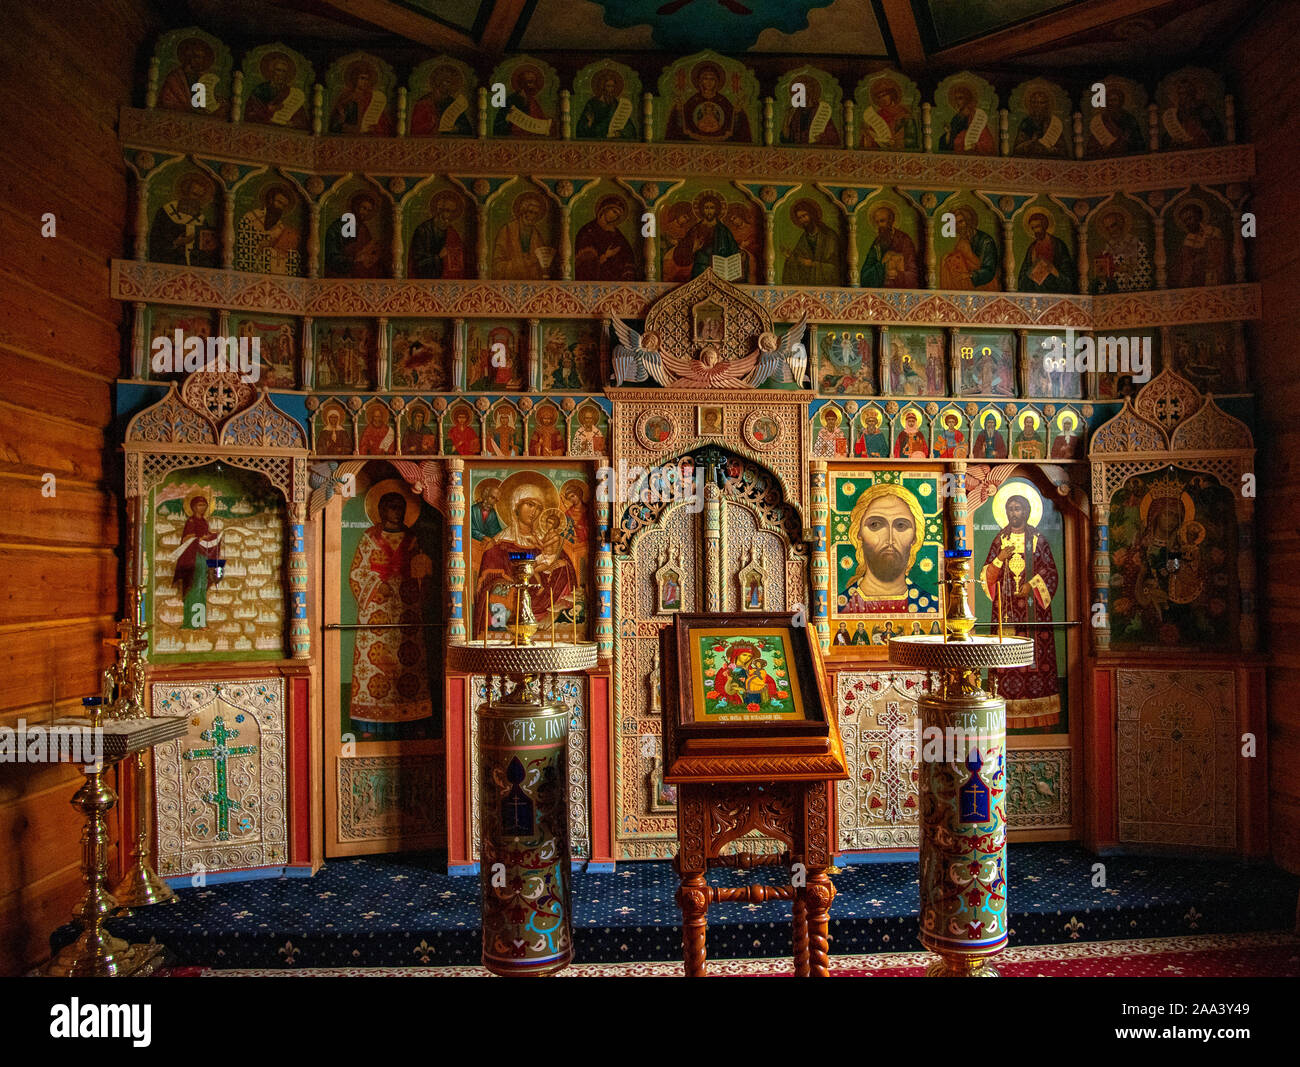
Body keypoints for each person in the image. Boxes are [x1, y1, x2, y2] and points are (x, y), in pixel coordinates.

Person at [348, 489, 433, 737]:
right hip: (376, 609)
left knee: (409, 663)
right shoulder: (369, 538)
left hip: (407, 607)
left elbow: (422, 569)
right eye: (391, 507)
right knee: (374, 663)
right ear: (381, 510)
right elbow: (357, 573)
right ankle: (368, 724)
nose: (397, 512)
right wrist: (376, 584)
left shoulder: (412, 538)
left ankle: (414, 720)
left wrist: (422, 567)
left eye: (400, 507)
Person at [980, 489, 1060, 728]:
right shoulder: (1000, 539)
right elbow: (986, 576)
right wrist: (999, 558)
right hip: (1006, 611)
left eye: (1018, 508)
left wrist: (1032, 585)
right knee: (1005, 661)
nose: (1014, 513)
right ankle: (1004, 714)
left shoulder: (1038, 539)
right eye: (1010, 509)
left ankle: (1042, 714)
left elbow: (1050, 572)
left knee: (1037, 659)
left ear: (1027, 511)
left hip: (1034, 613)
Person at [473, 485, 579, 637]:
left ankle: (545, 619)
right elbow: (488, 581)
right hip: (512, 600)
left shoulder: (544, 538)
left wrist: (564, 564)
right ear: (516, 505)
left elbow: (561, 562)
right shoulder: (501, 542)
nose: (534, 512)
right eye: (529, 505)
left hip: (543, 596)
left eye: (538, 508)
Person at [843, 483, 931, 613]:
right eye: (875, 524)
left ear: (915, 537)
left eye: (901, 525)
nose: (890, 539)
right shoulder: (842, 605)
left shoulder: (930, 606)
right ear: (858, 533)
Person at [171, 494, 223, 629]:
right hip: (194, 557)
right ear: (193, 507)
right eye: (199, 505)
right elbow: (185, 539)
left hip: (204, 556)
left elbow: (206, 536)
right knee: (195, 586)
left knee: (202, 587)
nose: (202, 507)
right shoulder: (191, 521)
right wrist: (199, 537)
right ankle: (191, 622)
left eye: (204, 505)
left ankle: (200, 622)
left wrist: (213, 535)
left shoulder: (204, 522)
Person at [666, 60, 751, 142]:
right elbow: (683, 124)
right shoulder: (693, 100)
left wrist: (737, 111)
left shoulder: (723, 101)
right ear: (700, 81)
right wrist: (679, 109)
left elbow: (733, 124)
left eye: (712, 79)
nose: (708, 82)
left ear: (717, 82)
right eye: (705, 79)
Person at [150, 172, 218, 267]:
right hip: (169, 265)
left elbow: (204, 250)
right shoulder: (166, 211)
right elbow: (155, 242)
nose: (196, 200)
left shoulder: (201, 220)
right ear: (185, 191)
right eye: (194, 194)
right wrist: (176, 243)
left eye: (200, 196)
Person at [235, 183, 301, 275]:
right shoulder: (251, 217)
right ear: (270, 200)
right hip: (249, 266)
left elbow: (283, 252)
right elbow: (241, 244)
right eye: (279, 202)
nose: (280, 207)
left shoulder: (281, 229)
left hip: (270, 269)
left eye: (283, 206)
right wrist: (260, 245)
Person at [672, 192, 740, 280]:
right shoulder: (695, 230)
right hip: (699, 271)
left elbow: (734, 252)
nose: (709, 211)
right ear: (701, 210)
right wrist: (693, 249)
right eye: (706, 208)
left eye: (712, 208)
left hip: (720, 272)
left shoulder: (724, 231)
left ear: (717, 210)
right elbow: (679, 256)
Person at [574, 195, 637, 281]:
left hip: (616, 281)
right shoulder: (588, 230)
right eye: (614, 212)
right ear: (605, 209)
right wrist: (606, 256)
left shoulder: (617, 234)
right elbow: (582, 264)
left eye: (618, 216)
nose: (615, 217)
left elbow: (628, 256)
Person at [492, 191, 553, 279]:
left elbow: (542, 263)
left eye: (536, 213)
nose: (533, 216)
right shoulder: (507, 230)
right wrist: (519, 264)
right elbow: (497, 264)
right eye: (530, 212)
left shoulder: (536, 235)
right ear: (523, 211)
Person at [1090, 208, 1152, 293]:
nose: (1111, 231)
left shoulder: (1135, 242)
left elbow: (1144, 267)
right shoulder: (1108, 246)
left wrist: (1127, 268)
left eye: (1113, 225)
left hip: (1135, 287)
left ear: (1121, 223)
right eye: (1107, 228)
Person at [324, 191, 385, 277]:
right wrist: (354, 259)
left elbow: (369, 250)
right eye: (363, 208)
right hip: (341, 271)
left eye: (369, 210)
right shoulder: (339, 225)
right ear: (355, 206)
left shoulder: (364, 228)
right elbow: (332, 255)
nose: (365, 213)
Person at [409, 191, 468, 279]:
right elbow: (417, 262)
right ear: (439, 210)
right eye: (447, 211)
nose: (450, 215)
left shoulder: (452, 232)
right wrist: (437, 257)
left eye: (453, 212)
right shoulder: (423, 230)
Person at [859, 204, 919, 288]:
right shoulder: (877, 244)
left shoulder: (904, 240)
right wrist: (882, 263)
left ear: (891, 221)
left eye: (882, 221)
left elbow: (913, 275)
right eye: (877, 222)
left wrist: (898, 275)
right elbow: (865, 277)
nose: (880, 225)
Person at [1017, 210, 1077, 293]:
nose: (1035, 231)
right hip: (1036, 290)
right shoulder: (1032, 248)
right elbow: (1023, 278)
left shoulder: (1058, 245)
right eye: (1033, 228)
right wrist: (1032, 268)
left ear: (1045, 225)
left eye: (1038, 226)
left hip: (1056, 289)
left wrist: (1055, 272)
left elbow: (1069, 276)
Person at [940, 206, 999, 290]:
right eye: (955, 224)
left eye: (961, 221)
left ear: (968, 221)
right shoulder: (962, 241)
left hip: (984, 284)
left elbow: (989, 271)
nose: (959, 226)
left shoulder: (986, 241)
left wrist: (968, 275)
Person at [244, 51, 308, 129]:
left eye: (284, 71)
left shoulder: (291, 92)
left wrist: (294, 123)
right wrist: (269, 109)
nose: (281, 74)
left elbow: (301, 117)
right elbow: (250, 112)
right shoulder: (261, 89)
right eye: (278, 70)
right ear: (271, 71)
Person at [783, 199, 840, 286]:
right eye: (800, 218)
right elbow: (798, 261)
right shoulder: (804, 238)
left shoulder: (829, 236)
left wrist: (812, 264)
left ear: (812, 214)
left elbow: (835, 268)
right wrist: (791, 258)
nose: (803, 220)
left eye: (804, 216)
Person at [160, 36, 220, 114]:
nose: (195, 61)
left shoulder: (206, 78)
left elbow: (208, 101)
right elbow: (166, 100)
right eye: (193, 57)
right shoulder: (175, 77)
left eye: (200, 57)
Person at [410, 63, 473, 136]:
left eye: (449, 82)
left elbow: (467, 128)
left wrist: (456, 128)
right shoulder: (425, 101)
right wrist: (434, 126)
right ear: (436, 82)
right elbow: (416, 127)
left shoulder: (452, 102)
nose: (446, 85)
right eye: (444, 81)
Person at [1173, 202, 1225, 288]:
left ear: (1198, 216)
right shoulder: (1188, 239)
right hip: (1198, 279)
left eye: (1190, 218)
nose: (1188, 223)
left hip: (1215, 274)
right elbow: (1187, 264)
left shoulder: (1213, 231)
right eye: (1185, 221)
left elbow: (1220, 255)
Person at [493, 64, 552, 137]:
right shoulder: (511, 99)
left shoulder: (533, 101)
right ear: (522, 83)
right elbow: (499, 122)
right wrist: (507, 117)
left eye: (534, 82)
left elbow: (539, 119)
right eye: (530, 82)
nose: (533, 86)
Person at [1086, 83, 1144, 156]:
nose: (1111, 103)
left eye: (1114, 100)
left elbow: (1137, 142)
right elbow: (1093, 144)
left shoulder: (1129, 119)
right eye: (1108, 100)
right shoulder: (1101, 119)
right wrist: (1100, 148)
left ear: (1121, 101)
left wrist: (1123, 143)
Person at [577, 68, 635, 139]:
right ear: (602, 87)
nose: (611, 89)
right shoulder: (592, 104)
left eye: (613, 86)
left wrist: (620, 133)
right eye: (608, 86)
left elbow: (628, 125)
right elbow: (581, 128)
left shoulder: (616, 104)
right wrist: (589, 123)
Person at [860, 77, 917, 150]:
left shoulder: (904, 114)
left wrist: (896, 142)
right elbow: (870, 142)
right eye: (879, 97)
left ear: (892, 94)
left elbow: (912, 140)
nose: (882, 99)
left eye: (884, 95)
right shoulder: (877, 116)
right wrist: (868, 134)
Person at [779, 77, 838, 145]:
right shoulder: (797, 112)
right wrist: (787, 117)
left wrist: (821, 138)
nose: (802, 96)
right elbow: (786, 137)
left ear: (812, 93)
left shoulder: (821, 110)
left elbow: (833, 137)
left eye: (806, 92)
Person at [1013, 85, 1068, 158]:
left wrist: (1048, 149)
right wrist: (1031, 143)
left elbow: (1062, 150)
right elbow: (1017, 149)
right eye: (1034, 102)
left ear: (1047, 105)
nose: (1037, 105)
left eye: (1041, 102)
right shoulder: (1027, 122)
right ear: (1030, 104)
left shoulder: (1052, 122)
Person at [939, 83, 993, 154]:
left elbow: (986, 140)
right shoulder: (956, 118)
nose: (957, 102)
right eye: (956, 99)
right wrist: (948, 133)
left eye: (960, 98)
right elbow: (952, 137)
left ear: (967, 99)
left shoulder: (976, 115)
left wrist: (974, 145)